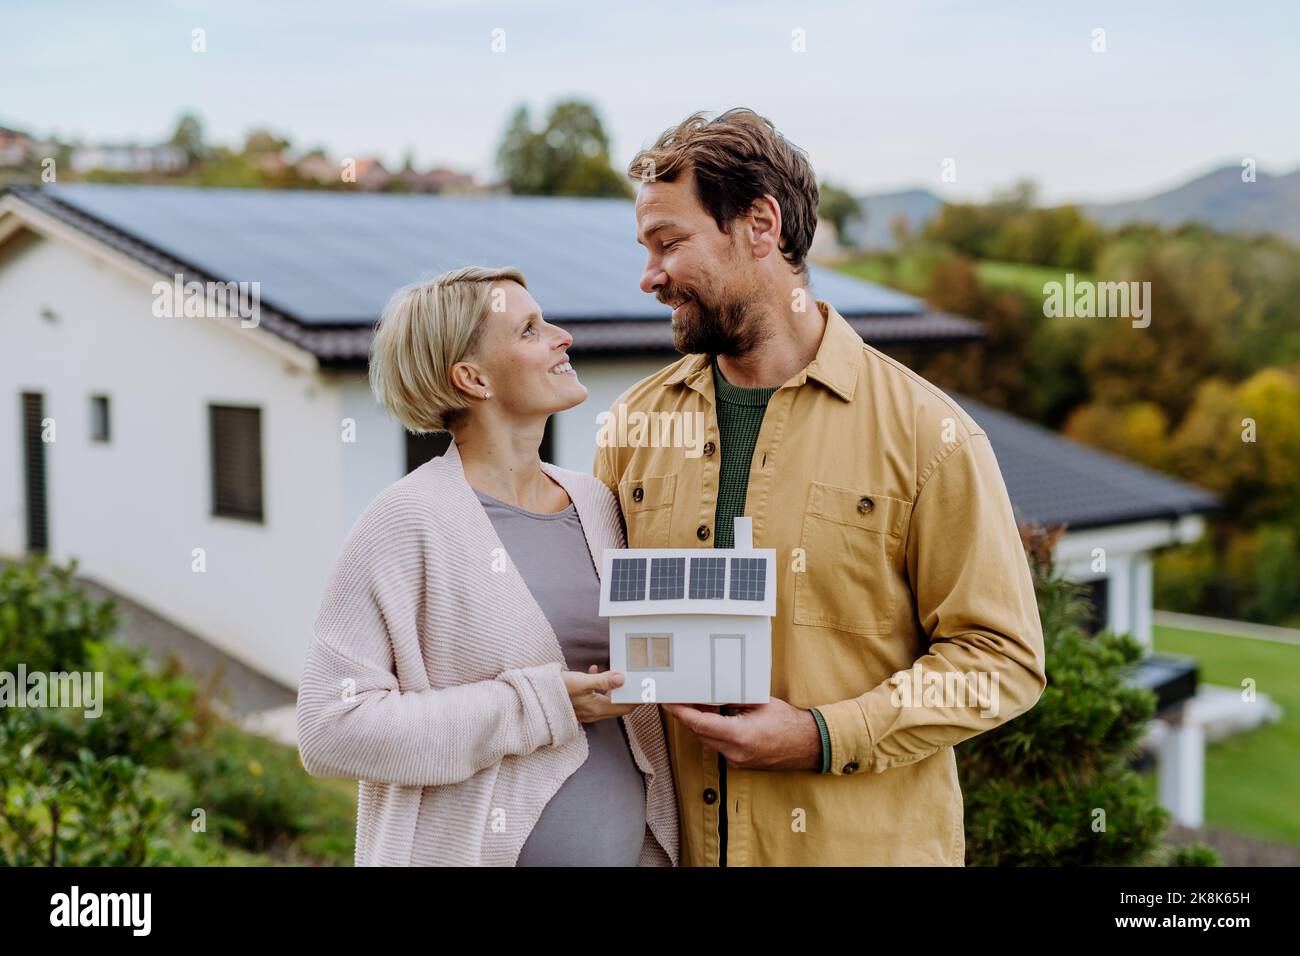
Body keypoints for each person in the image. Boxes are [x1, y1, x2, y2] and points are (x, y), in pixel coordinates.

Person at [594, 109, 1047, 866]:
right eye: (647, 249)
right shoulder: (634, 425)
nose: (651, 277)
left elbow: (1000, 659)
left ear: (761, 225)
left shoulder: (928, 435)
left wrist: (824, 736)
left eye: (670, 243)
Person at [296, 266, 678, 866]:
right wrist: (542, 705)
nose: (562, 337)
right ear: (471, 378)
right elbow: (329, 729)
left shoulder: (600, 503)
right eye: (530, 330)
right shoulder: (407, 521)